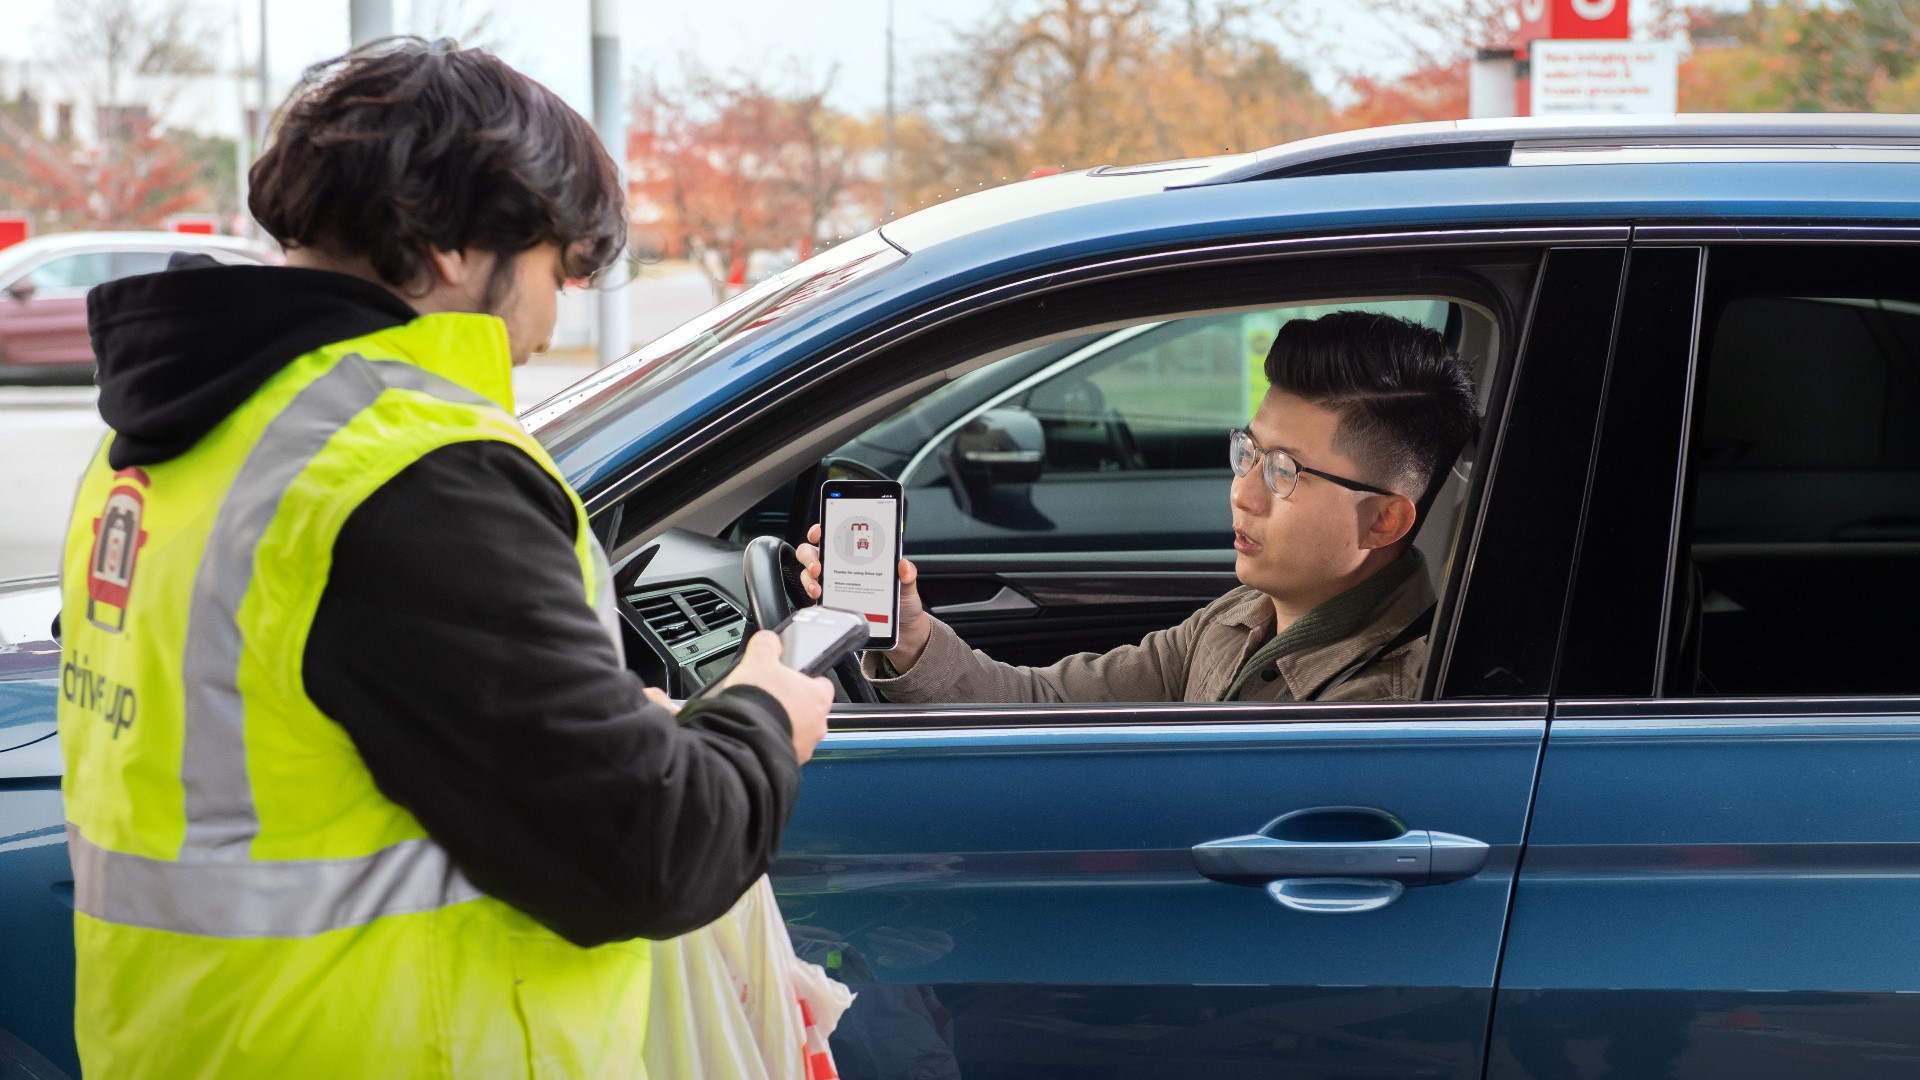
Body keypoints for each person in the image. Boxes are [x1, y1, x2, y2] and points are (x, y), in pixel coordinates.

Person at [56, 40, 830, 1079]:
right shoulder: (410, 471)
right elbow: (650, 854)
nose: (553, 318)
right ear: (452, 244)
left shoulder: (166, 444)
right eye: (562, 267)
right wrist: (765, 714)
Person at [798, 310, 1478, 704]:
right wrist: (910, 636)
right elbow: (1048, 705)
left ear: (1383, 519)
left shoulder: (1383, 703)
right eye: (1249, 451)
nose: (1241, 492)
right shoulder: (1239, 620)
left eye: (1284, 472)